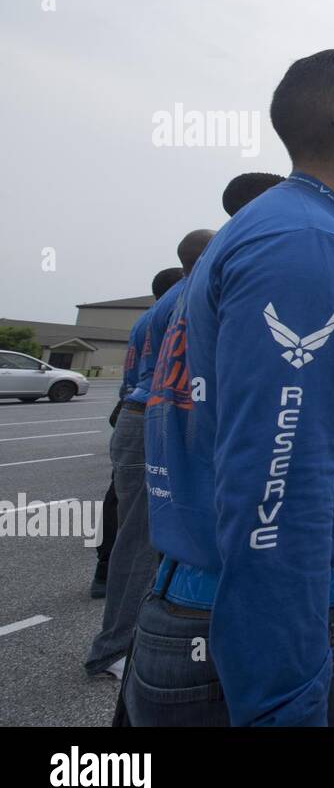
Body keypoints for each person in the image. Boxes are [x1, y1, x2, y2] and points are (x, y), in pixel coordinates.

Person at [123, 48, 334, 726]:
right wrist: (283, 702)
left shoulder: (283, 231)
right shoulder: (305, 244)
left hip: (217, 605)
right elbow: (274, 486)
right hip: (276, 623)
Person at [85, 231, 212, 680]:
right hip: (153, 418)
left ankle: (147, 634)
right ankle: (112, 648)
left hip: (140, 415)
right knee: (141, 539)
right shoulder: (190, 294)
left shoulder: (163, 303)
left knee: (147, 537)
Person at [88, 265, 183, 602]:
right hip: (156, 412)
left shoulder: (149, 316)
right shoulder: (183, 303)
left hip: (134, 407)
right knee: (144, 522)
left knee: (124, 505)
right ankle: (130, 625)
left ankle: (106, 570)